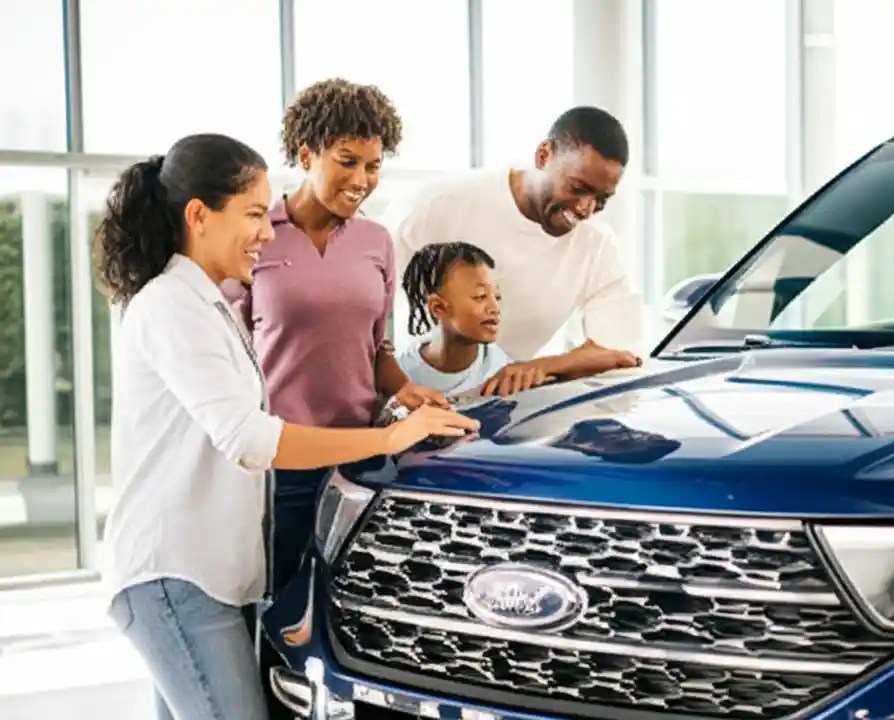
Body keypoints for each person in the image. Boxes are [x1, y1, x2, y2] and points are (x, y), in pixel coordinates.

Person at [96, 133, 478, 720]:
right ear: (199, 215)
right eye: (253, 214)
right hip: (174, 575)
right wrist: (389, 437)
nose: (268, 233)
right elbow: (251, 438)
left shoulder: (208, 302)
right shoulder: (170, 305)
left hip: (211, 577)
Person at [222, 78, 442, 597]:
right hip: (280, 465)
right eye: (347, 160)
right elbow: (228, 351)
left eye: (373, 165)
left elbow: (377, 348)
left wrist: (405, 390)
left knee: (344, 606)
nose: (362, 179)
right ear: (306, 152)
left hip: (362, 462)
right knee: (272, 603)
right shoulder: (257, 234)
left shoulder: (376, 241)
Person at [390, 106, 647, 373]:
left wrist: (537, 368)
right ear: (544, 155)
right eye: (577, 188)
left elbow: (621, 353)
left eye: (601, 199)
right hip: (417, 393)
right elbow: (356, 299)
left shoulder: (595, 243)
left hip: (511, 402)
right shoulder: (436, 205)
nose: (586, 209)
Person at [399, 241, 644, 398]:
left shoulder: (504, 370)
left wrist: (548, 367)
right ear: (438, 308)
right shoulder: (398, 374)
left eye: (497, 296)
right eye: (480, 297)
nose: (495, 308)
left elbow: (622, 360)